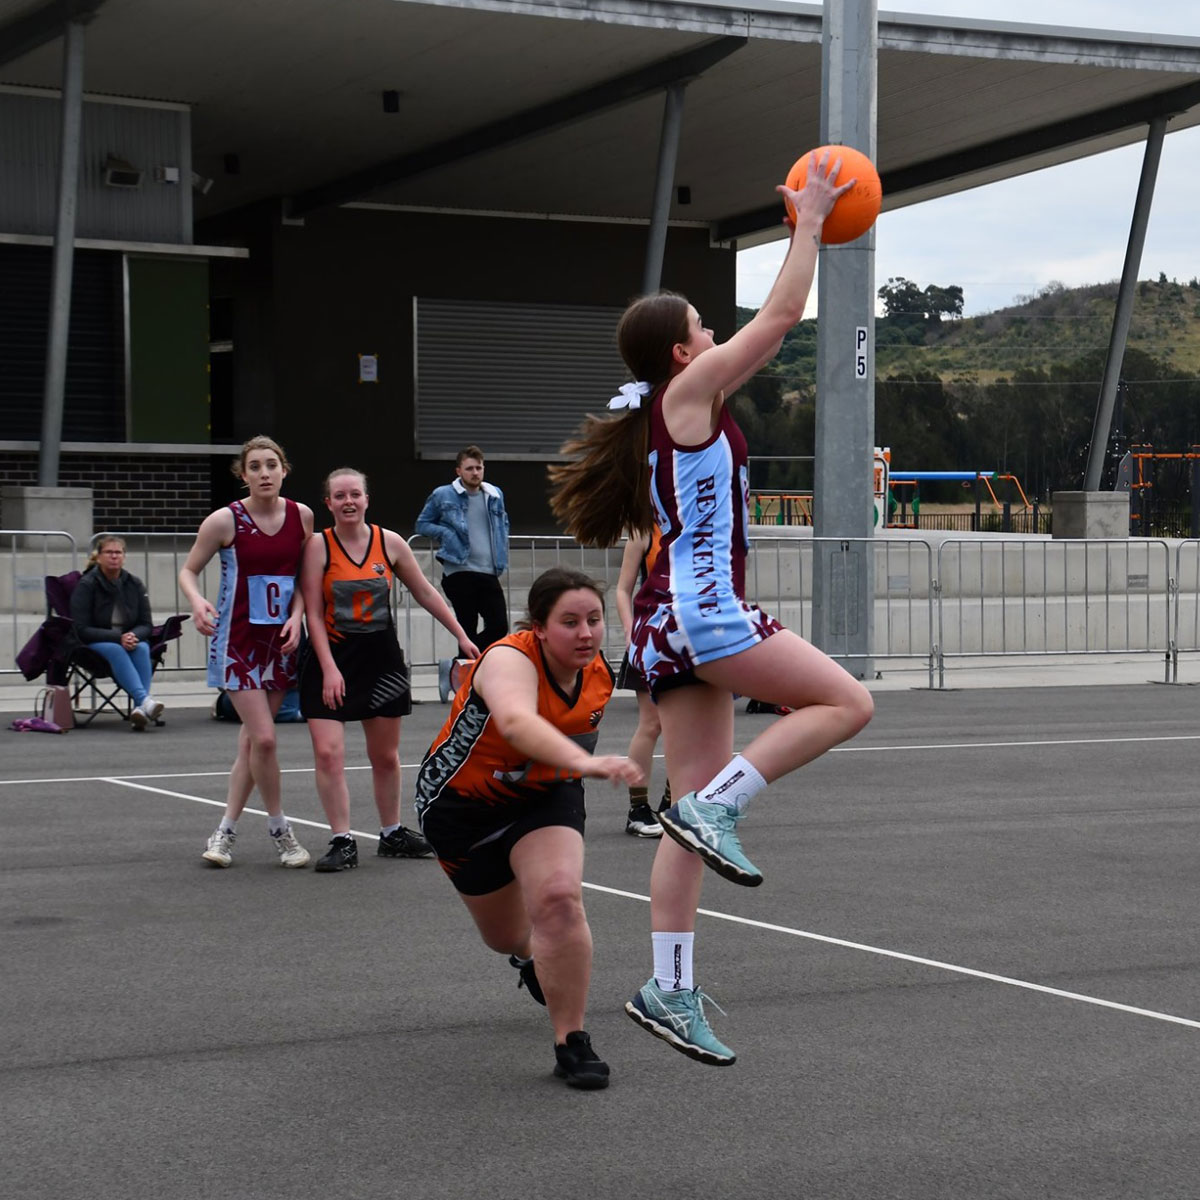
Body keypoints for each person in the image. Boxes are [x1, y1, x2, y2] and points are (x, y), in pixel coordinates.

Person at [548, 150, 876, 1066]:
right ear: (682, 353)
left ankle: (670, 986)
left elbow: (762, 335)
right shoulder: (685, 396)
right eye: (701, 323)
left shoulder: (685, 401)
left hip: (669, 622)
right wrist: (812, 223)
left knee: (689, 808)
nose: (714, 328)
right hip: (704, 614)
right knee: (847, 702)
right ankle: (719, 806)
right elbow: (780, 319)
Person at [414, 567, 643, 1089]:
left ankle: (571, 1040)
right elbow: (516, 723)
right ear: (538, 627)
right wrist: (585, 762)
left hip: (546, 793)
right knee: (506, 936)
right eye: (570, 622)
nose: (586, 633)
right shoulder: (507, 659)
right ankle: (527, 957)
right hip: (461, 807)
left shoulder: (599, 673)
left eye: (594, 620)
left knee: (560, 898)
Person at [299, 467, 479, 873]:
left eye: (355, 494)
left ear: (367, 499)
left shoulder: (390, 542)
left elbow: (425, 591)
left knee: (384, 755)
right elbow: (312, 611)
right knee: (328, 753)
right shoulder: (318, 546)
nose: (348, 501)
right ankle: (342, 839)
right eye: (340, 496)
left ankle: (392, 832)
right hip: (332, 660)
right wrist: (329, 668)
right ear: (328, 503)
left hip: (380, 662)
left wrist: (461, 634)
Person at [179, 435, 315, 870]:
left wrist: (297, 616)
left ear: (284, 470)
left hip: (281, 642)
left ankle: (225, 832)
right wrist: (197, 601)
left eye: (271, 465)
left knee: (253, 744)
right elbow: (188, 570)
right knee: (266, 739)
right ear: (243, 474)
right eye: (254, 466)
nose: (264, 473)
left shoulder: (302, 517)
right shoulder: (225, 521)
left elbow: (304, 579)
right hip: (237, 642)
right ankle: (281, 830)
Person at [415, 445, 511, 700]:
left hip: (489, 569)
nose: (475, 473)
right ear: (458, 471)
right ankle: (467, 685)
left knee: (499, 625)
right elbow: (422, 524)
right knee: (467, 626)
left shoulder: (494, 494)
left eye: (479, 468)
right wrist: (446, 534)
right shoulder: (443, 494)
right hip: (459, 569)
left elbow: (502, 524)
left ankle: (456, 667)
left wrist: (501, 553)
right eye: (469, 468)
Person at [69, 536, 163, 730]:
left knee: (142, 648)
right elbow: (81, 628)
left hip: (129, 638)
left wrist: (133, 636)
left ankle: (139, 711)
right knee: (116, 649)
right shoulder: (87, 584)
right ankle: (144, 701)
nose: (114, 556)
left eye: (118, 552)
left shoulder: (134, 584)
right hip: (95, 640)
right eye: (109, 552)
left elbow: (146, 624)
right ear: (99, 557)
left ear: (124, 557)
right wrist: (117, 638)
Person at [615, 527, 669, 836]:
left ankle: (672, 805)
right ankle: (638, 809)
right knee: (652, 723)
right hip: (651, 636)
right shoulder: (644, 531)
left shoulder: (698, 521)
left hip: (693, 636)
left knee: (686, 727)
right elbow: (622, 590)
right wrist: (630, 631)